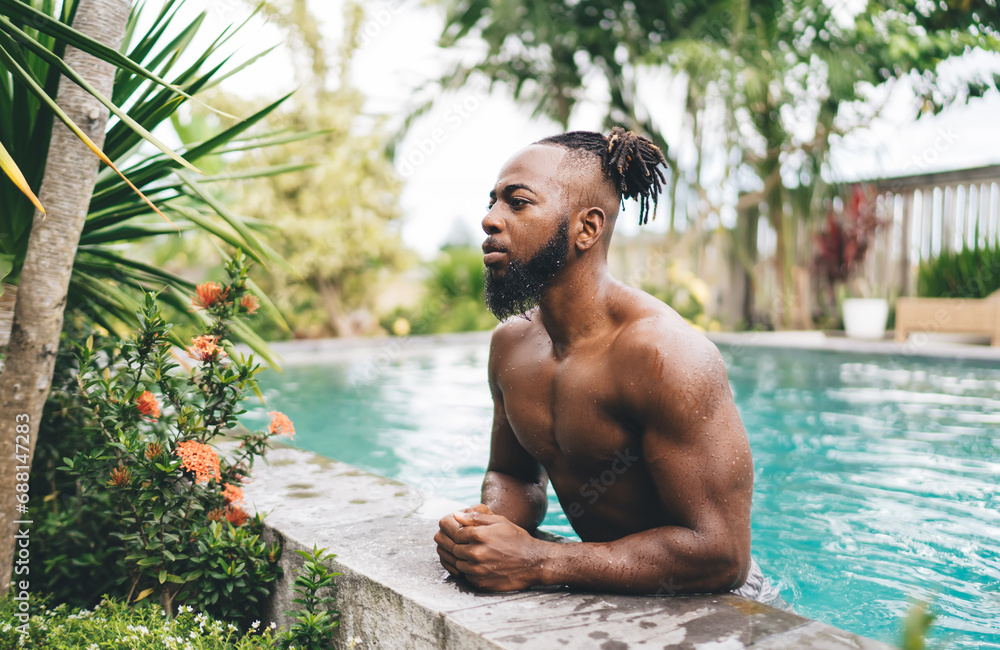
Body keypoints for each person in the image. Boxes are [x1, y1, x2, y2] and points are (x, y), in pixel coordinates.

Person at [434, 127, 781, 602]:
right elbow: (514, 476)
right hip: (610, 585)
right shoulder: (512, 345)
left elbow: (722, 555)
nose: (490, 220)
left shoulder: (665, 356)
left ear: (587, 228)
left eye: (517, 202)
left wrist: (537, 561)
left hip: (717, 601)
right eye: (491, 201)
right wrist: (484, 527)